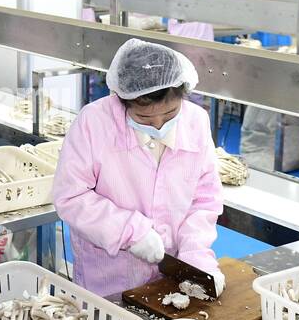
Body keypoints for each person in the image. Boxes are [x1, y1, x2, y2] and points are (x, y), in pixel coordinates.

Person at [53, 39, 224, 298]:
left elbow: (204, 200)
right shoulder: (94, 122)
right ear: (122, 101)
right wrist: (129, 232)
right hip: (109, 277)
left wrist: (196, 257)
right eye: (144, 117)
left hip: (172, 277)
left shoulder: (196, 122)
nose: (157, 125)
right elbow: (71, 196)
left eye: (169, 114)